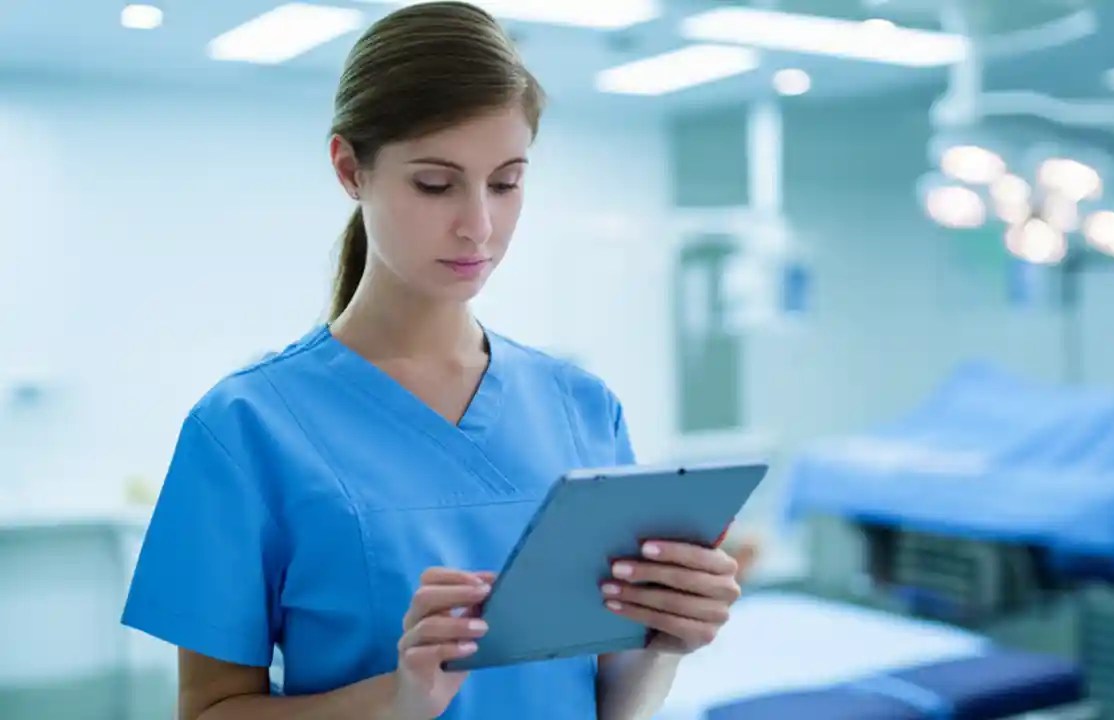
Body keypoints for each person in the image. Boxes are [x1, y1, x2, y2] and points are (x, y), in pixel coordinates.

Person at [120, 3, 744, 719]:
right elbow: (209, 711)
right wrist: (397, 700)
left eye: (506, 183)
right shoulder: (245, 428)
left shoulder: (582, 408)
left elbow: (605, 702)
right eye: (435, 184)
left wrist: (663, 639)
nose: (479, 225)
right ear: (350, 169)